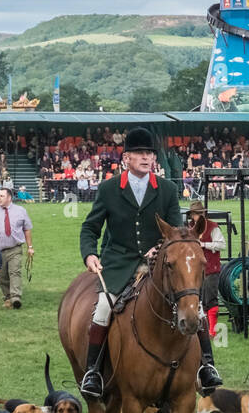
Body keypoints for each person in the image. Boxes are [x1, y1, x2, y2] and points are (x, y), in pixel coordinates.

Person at [78, 127, 221, 398]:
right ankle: (93, 372)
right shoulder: (109, 189)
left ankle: (207, 367)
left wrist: (163, 247)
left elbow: (177, 231)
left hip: (157, 262)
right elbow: (90, 228)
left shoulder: (167, 188)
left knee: (194, 306)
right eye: (139, 153)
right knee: (102, 310)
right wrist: (90, 254)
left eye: (149, 153)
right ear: (127, 158)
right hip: (119, 262)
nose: (146, 157)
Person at [0, 186, 34, 309]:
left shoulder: (21, 211)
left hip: (15, 248)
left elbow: (27, 229)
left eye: (2, 196)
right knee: (1, 276)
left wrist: (30, 247)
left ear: (9, 197)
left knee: (15, 271)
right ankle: (7, 297)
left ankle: (16, 297)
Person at [188, 200, 226, 337]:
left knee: (210, 298)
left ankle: (212, 330)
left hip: (210, 267)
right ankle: (199, 326)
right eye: (194, 214)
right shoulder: (189, 227)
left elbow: (222, 245)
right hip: (193, 269)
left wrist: (203, 244)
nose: (196, 216)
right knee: (195, 297)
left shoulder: (212, 227)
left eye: (198, 213)